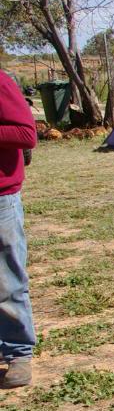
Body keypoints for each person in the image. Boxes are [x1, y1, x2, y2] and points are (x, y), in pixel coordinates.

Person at [0, 70, 37, 388]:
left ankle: (18, 353)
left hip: (1, 198)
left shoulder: (1, 83)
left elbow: (27, 135)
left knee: (7, 280)